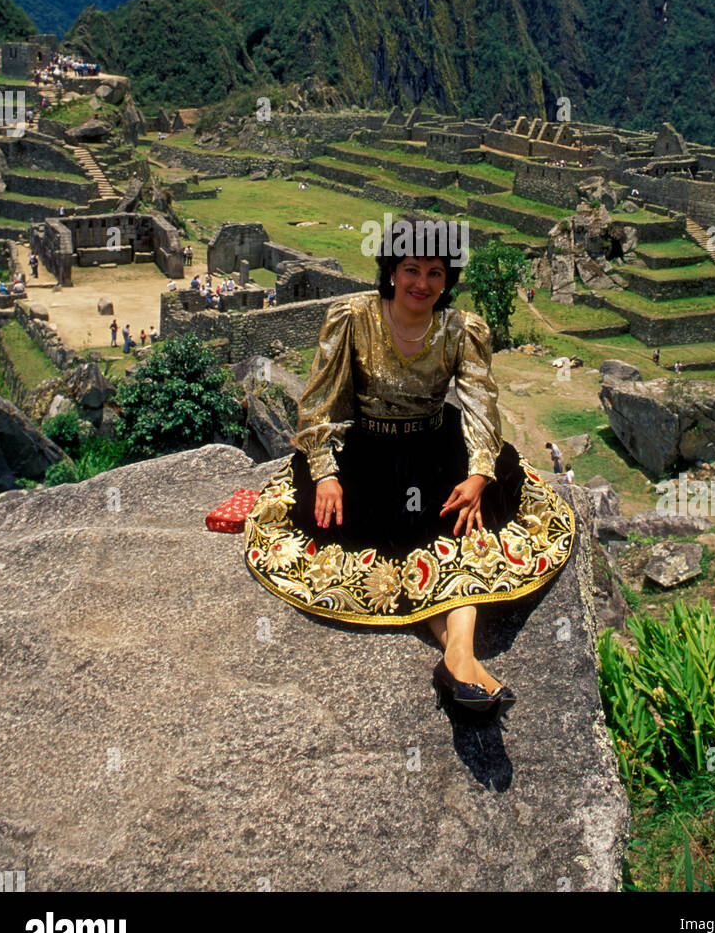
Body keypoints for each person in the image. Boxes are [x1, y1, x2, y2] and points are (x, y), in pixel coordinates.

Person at [243, 214, 576, 716]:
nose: (422, 283)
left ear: (448, 280)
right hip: (365, 451)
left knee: (463, 524)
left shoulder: (460, 328)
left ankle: (458, 660)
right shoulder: (352, 317)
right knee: (382, 526)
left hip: (434, 446)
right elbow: (320, 403)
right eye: (412, 269)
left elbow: (481, 406)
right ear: (392, 271)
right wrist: (325, 472)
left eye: (435, 274)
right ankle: (462, 660)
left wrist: (480, 474)